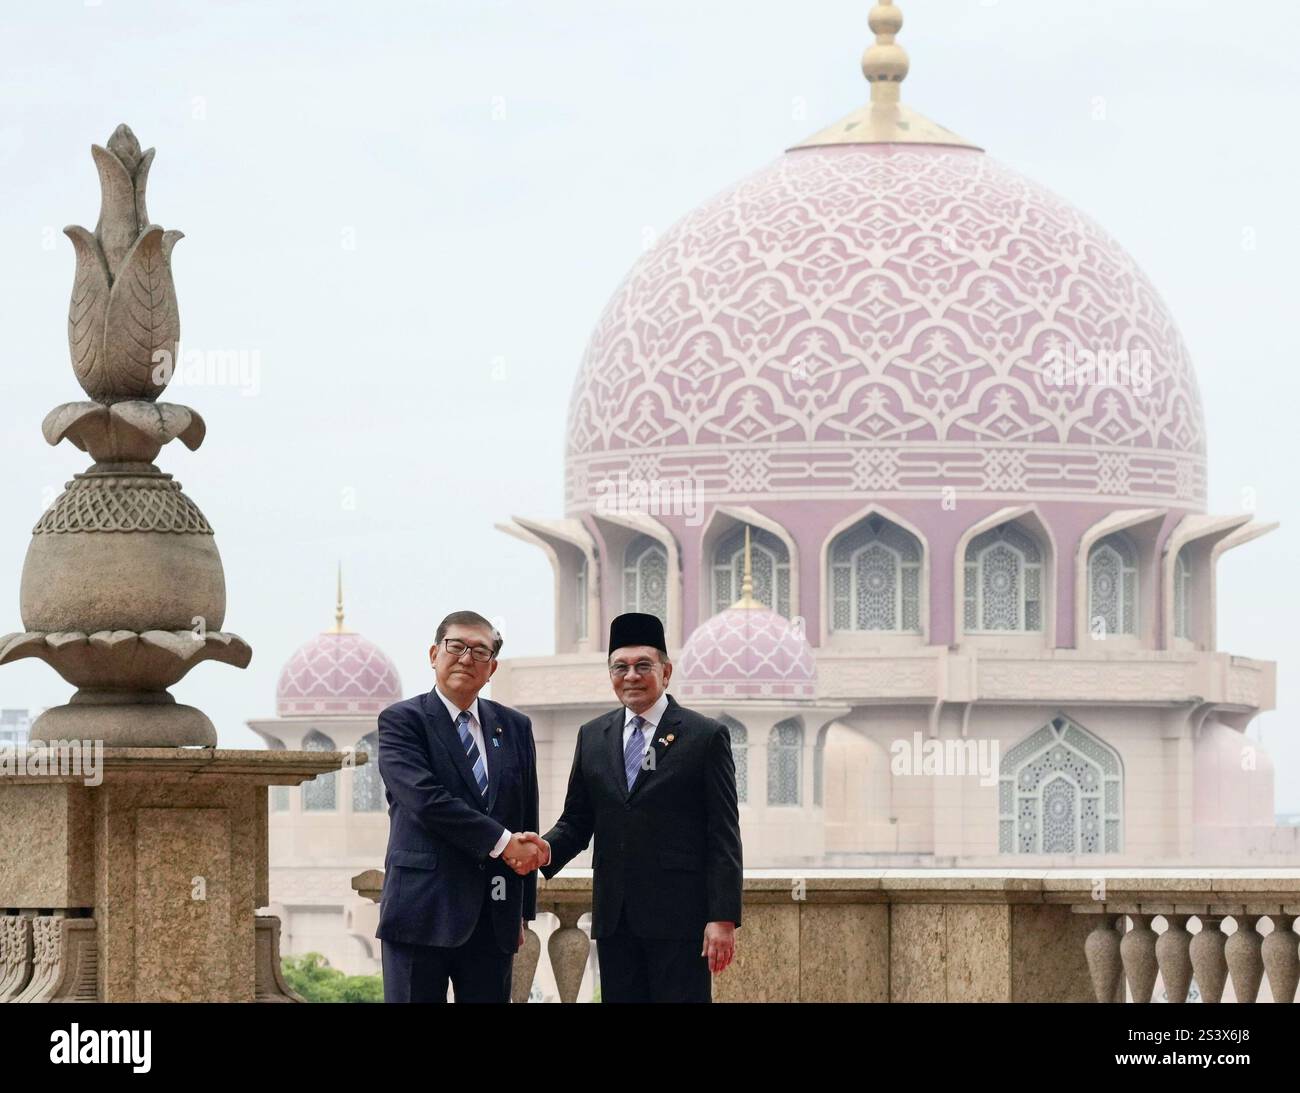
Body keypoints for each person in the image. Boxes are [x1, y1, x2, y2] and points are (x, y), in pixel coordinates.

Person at [524, 611, 743, 1002]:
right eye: (620, 666)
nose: (631, 676)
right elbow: (577, 820)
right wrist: (544, 849)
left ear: (666, 671)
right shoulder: (593, 736)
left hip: (681, 921)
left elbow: (723, 834)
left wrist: (722, 918)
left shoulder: (704, 736)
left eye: (644, 665)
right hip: (615, 920)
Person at [376, 610, 545, 1003]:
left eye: (480, 652)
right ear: (434, 653)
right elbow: (425, 800)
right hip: (421, 911)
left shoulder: (515, 726)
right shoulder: (403, 721)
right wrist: (503, 843)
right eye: (456, 647)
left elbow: (525, 814)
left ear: (492, 668)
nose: (467, 659)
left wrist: (521, 910)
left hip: (493, 914)